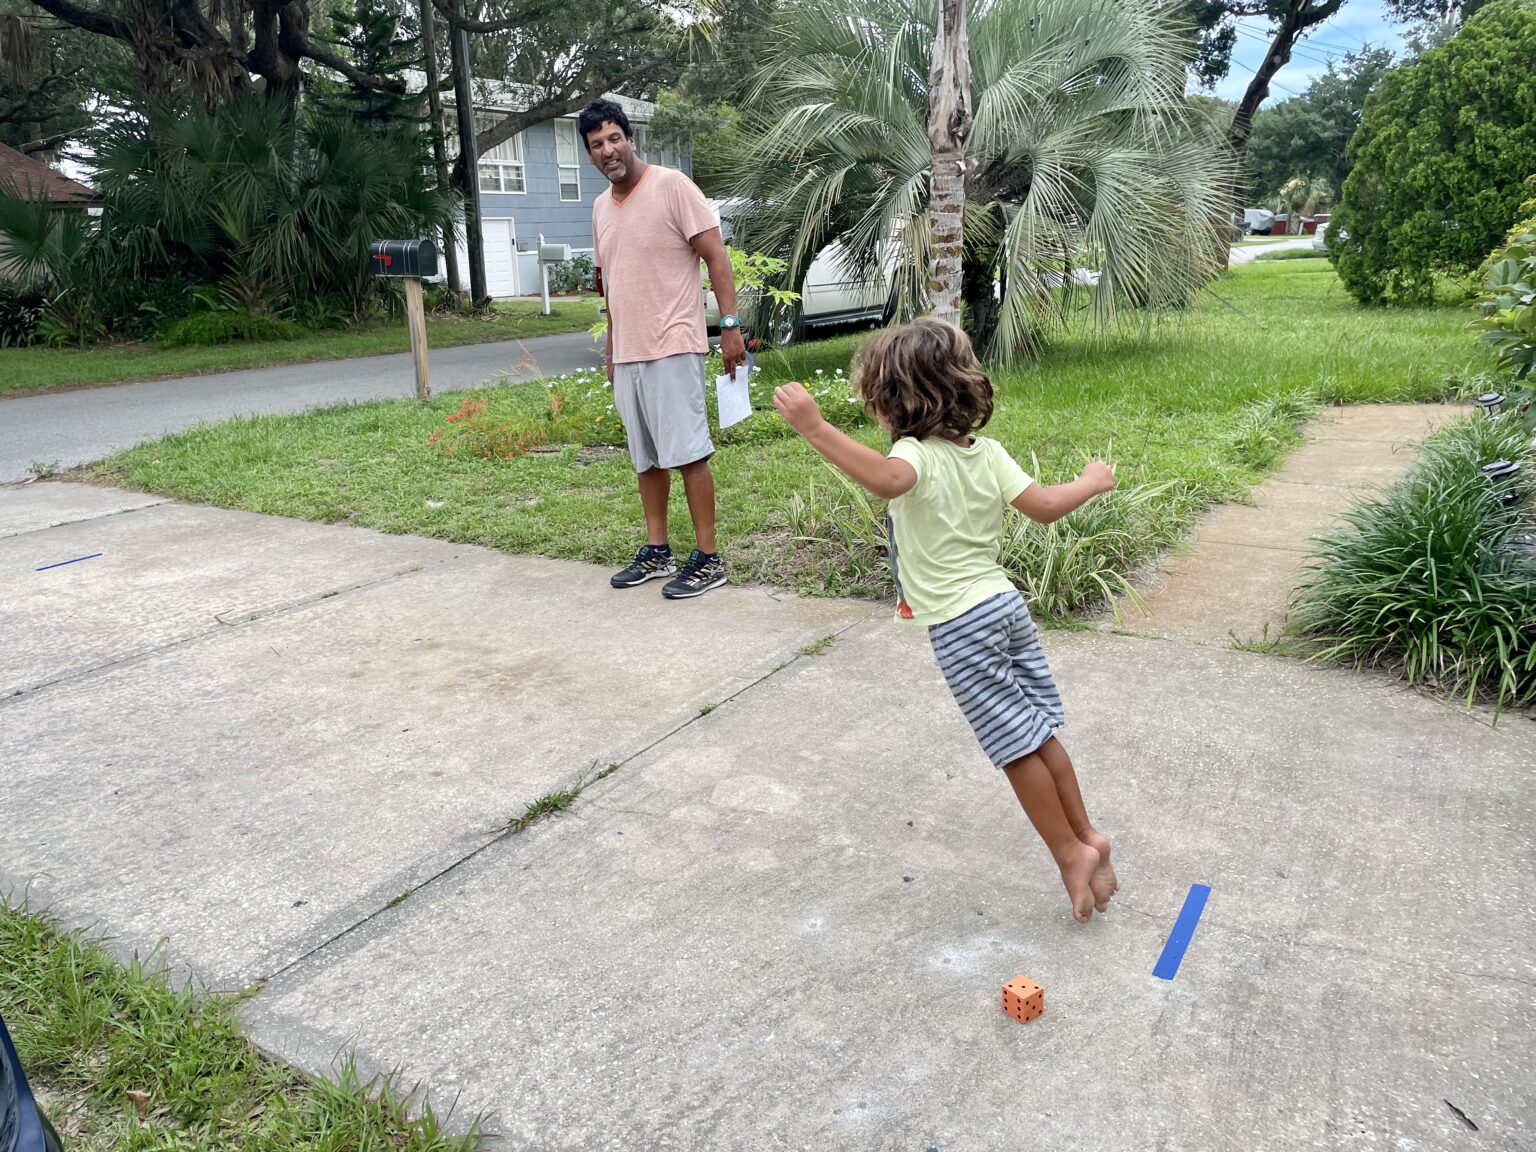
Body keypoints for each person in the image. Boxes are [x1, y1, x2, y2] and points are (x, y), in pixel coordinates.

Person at [772, 317, 1120, 922]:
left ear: (893, 401)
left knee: (1014, 749)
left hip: (962, 626)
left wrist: (814, 427)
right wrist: (1090, 482)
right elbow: (1044, 507)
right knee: (1037, 732)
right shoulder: (988, 454)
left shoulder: (914, 455)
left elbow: (886, 481)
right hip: (1005, 607)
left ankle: (1071, 854)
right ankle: (1087, 834)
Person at [581, 99, 746, 600]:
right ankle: (657, 551)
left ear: (630, 139)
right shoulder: (600, 208)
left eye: (614, 138)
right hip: (628, 352)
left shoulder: (673, 186)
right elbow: (611, 285)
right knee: (646, 459)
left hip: (673, 343)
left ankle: (708, 559)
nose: (608, 150)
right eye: (596, 145)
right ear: (590, 154)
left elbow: (717, 258)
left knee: (689, 454)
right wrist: (612, 352)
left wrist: (730, 326)